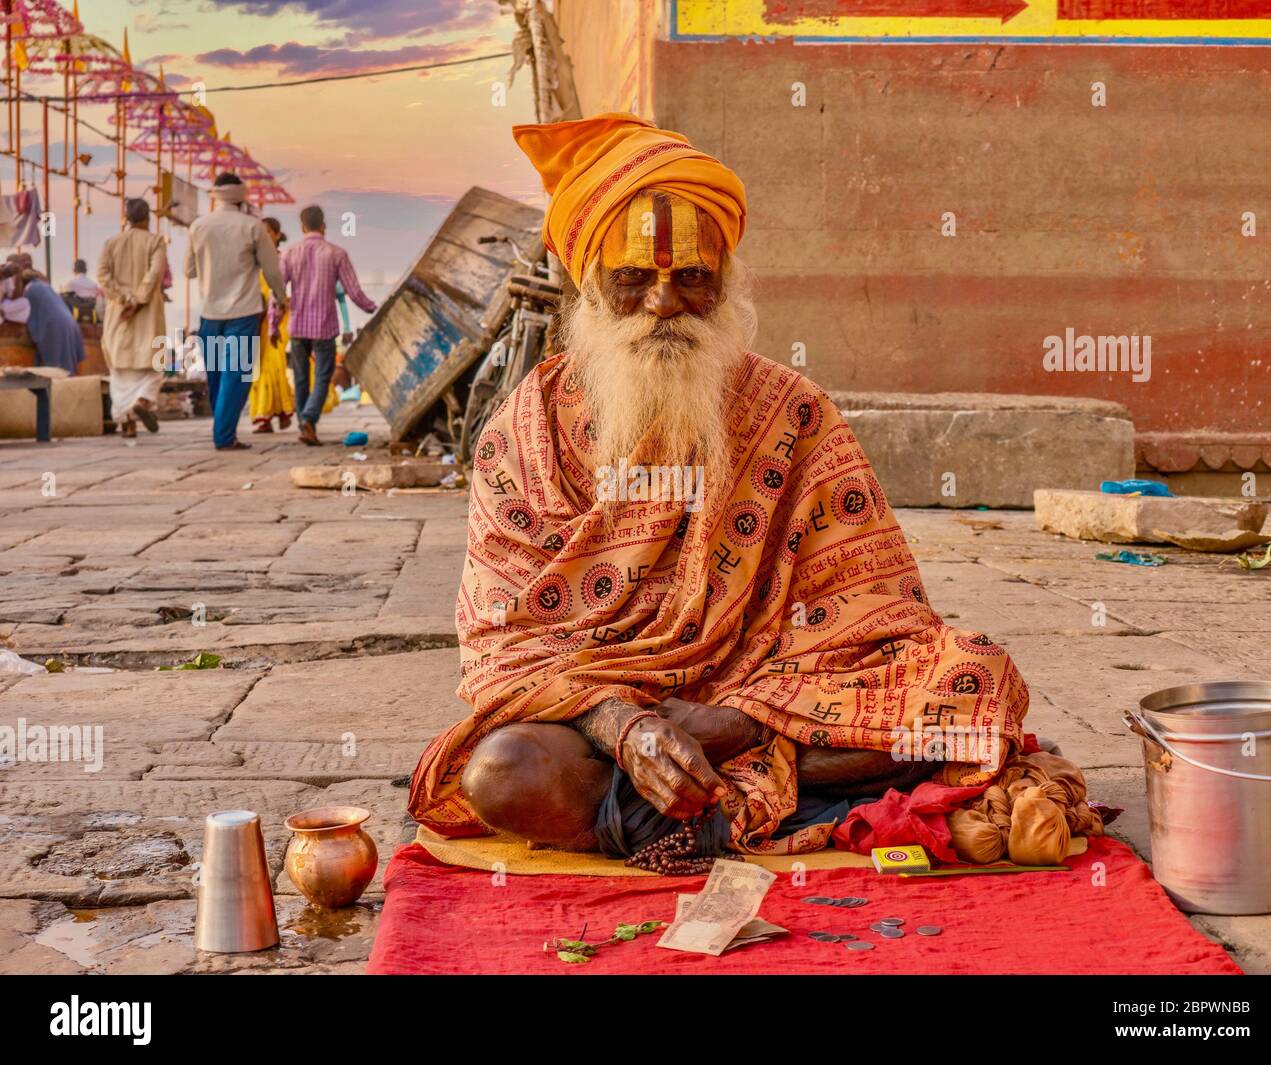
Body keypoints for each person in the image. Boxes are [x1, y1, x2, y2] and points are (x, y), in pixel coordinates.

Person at [407, 114, 1102, 864]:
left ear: (725, 283)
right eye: (635, 278)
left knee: (971, 682)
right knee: (505, 773)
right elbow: (502, 648)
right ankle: (738, 802)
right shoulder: (522, 435)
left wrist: (741, 717)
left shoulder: (791, 410)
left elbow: (879, 608)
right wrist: (627, 727)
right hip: (598, 725)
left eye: (691, 278)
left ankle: (688, 811)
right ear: (590, 284)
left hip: (778, 705)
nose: (663, 304)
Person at [185, 172, 286, 450]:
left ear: (215, 195)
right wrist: (280, 297)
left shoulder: (198, 226)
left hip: (209, 312)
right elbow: (272, 270)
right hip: (243, 311)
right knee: (236, 373)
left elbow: (189, 270)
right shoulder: (253, 228)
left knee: (217, 375)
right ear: (242, 196)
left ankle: (224, 429)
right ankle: (224, 434)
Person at [274, 204, 375, 445]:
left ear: (302, 226)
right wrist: (373, 309)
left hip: (297, 326)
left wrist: (271, 325)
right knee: (322, 376)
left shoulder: (289, 253)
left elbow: (278, 293)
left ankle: (305, 425)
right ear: (323, 225)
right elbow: (354, 291)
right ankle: (308, 419)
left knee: (300, 378)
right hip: (324, 326)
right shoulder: (336, 253)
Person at [97, 197, 168, 438]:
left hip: (119, 313)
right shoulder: (155, 241)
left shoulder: (111, 243)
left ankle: (127, 421)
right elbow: (154, 273)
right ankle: (143, 401)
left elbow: (103, 275)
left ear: (126, 219)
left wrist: (123, 298)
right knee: (153, 367)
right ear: (147, 218)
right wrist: (138, 300)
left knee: (120, 370)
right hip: (147, 312)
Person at [248, 217, 296, 433]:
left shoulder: (284, 259)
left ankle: (281, 411)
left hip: (279, 318)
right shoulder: (251, 261)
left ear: (277, 234)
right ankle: (268, 415)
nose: (264, 235)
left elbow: (291, 290)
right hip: (255, 319)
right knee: (256, 368)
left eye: (268, 231)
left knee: (272, 365)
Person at [17, 252, 84, 374]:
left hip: (56, 328)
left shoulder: (29, 290)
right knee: (66, 371)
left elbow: (20, 314)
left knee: (56, 374)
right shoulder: (43, 286)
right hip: (70, 325)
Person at [61, 258, 104, 322]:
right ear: (86, 270)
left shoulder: (70, 284)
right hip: (92, 316)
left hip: (75, 317)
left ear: (74, 270)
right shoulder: (94, 285)